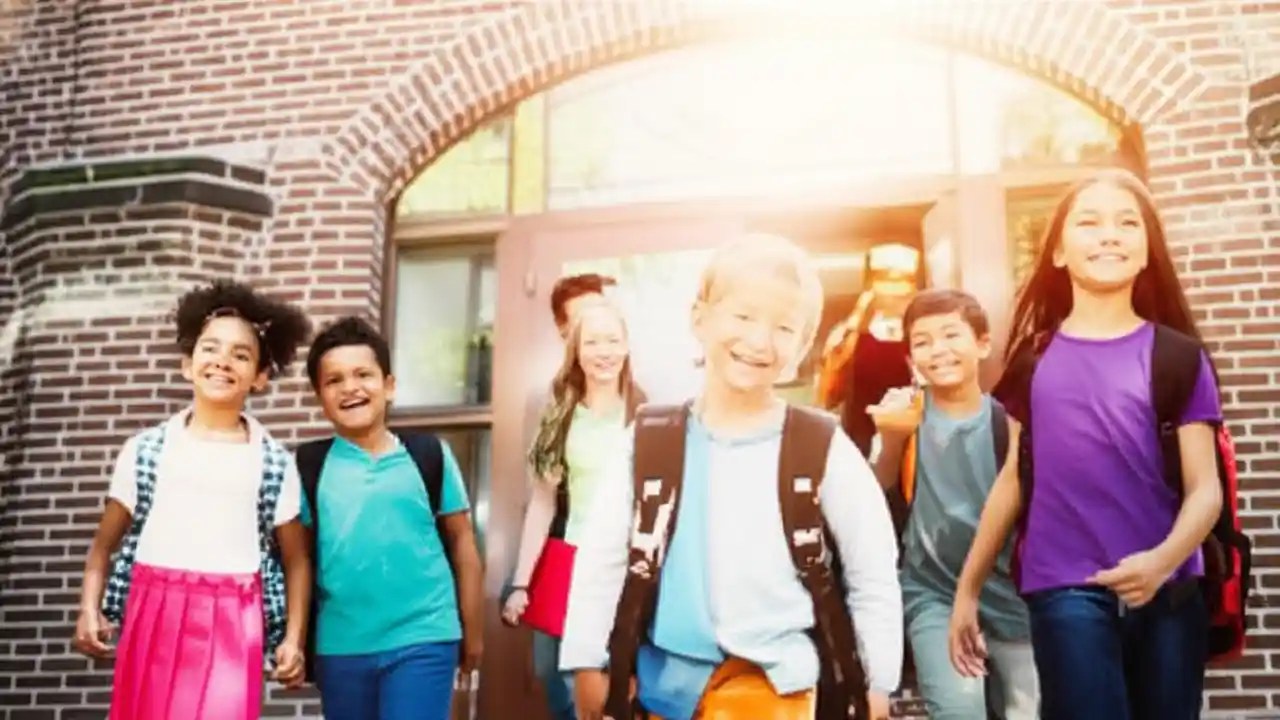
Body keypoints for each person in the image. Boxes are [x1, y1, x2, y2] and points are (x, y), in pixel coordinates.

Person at [561, 234, 902, 720]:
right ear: (699, 319)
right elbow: (603, 559)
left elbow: (873, 571)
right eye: (743, 317)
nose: (759, 341)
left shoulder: (821, 444)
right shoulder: (649, 440)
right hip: (664, 687)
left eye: (784, 327)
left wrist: (878, 682)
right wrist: (585, 662)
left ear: (803, 344)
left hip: (776, 685)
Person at [949, 169, 1223, 720]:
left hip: (1168, 589)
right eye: (1089, 222)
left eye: (1128, 223)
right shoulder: (1033, 363)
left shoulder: (1179, 358)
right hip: (1064, 584)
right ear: (1057, 252)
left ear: (1147, 253)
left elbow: (1205, 492)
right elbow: (1013, 481)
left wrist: (1161, 562)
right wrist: (967, 590)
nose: (1109, 235)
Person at [73, 280, 313, 719]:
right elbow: (102, 547)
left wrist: (293, 638)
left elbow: (296, 560)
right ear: (187, 364)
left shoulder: (275, 464)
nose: (223, 360)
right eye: (211, 348)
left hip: (233, 618)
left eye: (241, 354)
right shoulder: (145, 450)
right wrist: (90, 607)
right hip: (153, 607)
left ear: (260, 377)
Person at [299, 316, 484, 720]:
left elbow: (463, 544)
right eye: (334, 380)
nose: (350, 387)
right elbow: (299, 560)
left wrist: (473, 630)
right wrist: (296, 641)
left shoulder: (428, 455)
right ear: (320, 396)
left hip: (425, 635)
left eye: (363, 374)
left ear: (389, 386)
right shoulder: (307, 465)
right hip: (342, 645)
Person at [869, 289, 1038, 719]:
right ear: (910, 359)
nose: (937, 351)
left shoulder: (1010, 422)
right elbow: (874, 493)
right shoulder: (902, 416)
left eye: (950, 335)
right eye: (921, 342)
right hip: (934, 594)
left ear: (982, 344)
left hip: (1014, 599)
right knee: (959, 713)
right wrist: (890, 437)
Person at [501, 299, 647, 720]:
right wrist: (521, 583)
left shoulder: (646, 414)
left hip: (626, 567)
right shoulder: (561, 418)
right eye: (593, 342)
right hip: (572, 562)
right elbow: (543, 504)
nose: (604, 352)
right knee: (558, 678)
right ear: (576, 352)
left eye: (613, 340)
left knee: (618, 683)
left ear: (627, 347)